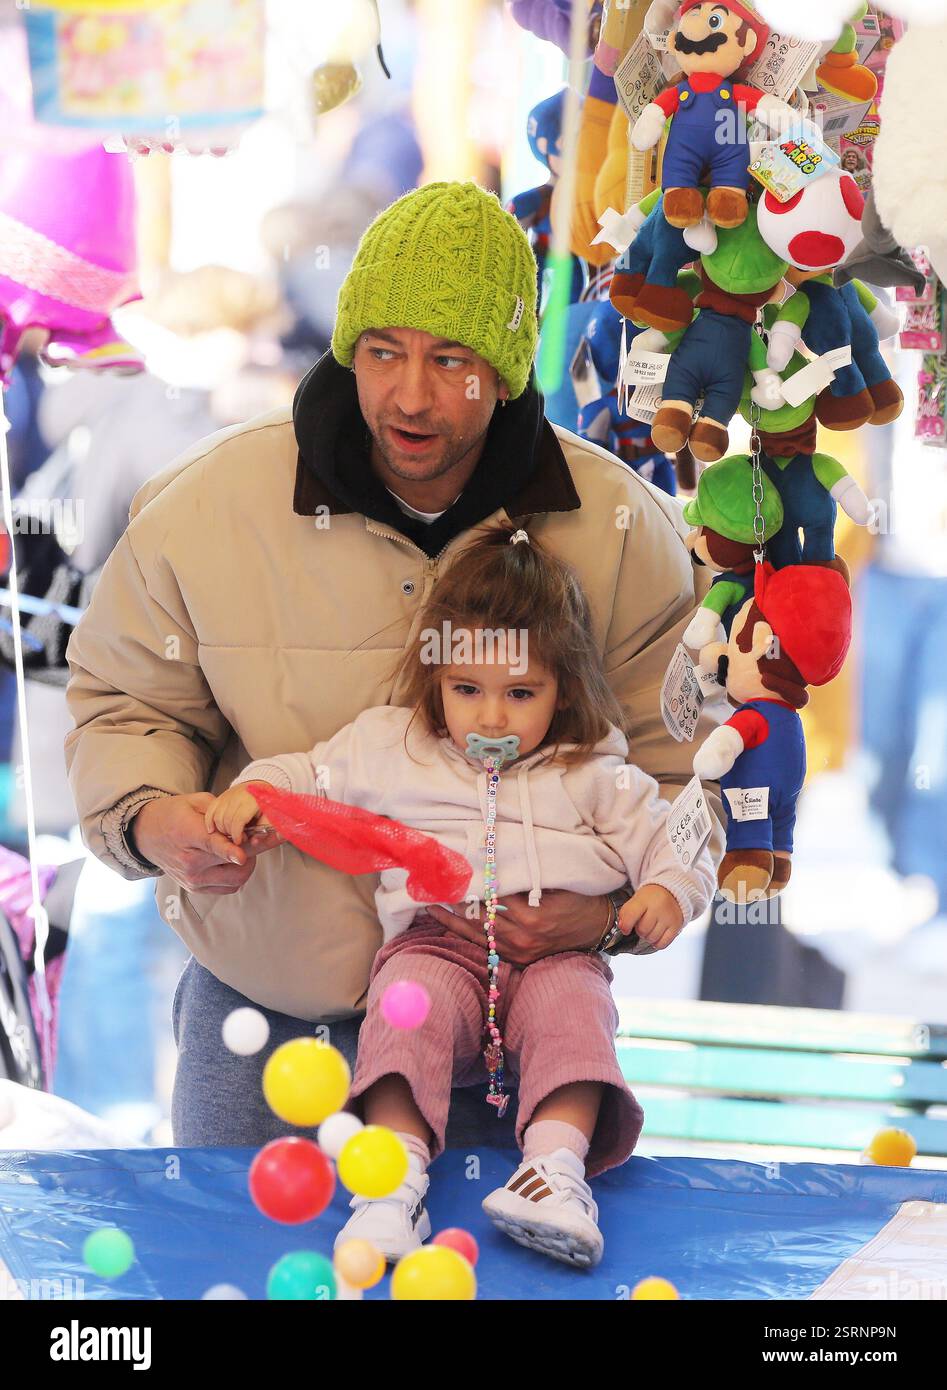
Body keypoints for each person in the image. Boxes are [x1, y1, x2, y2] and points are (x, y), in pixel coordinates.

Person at [64, 180, 724, 1151]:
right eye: (382, 353)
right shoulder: (208, 505)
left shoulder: (616, 528)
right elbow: (124, 703)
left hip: (507, 1035)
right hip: (266, 1037)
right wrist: (153, 819)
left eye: (448, 359)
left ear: (499, 370)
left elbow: (689, 769)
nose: (410, 395)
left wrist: (604, 915)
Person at [205, 527, 716, 1266]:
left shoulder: (590, 771)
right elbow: (311, 775)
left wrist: (670, 889)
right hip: (434, 943)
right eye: (466, 691)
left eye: (520, 693)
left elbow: (681, 837)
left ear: (562, 689)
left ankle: (553, 1172)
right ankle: (387, 1188)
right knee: (404, 1006)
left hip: (557, 955)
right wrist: (258, 793)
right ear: (435, 678)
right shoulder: (395, 746)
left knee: (575, 1014)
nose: (490, 718)